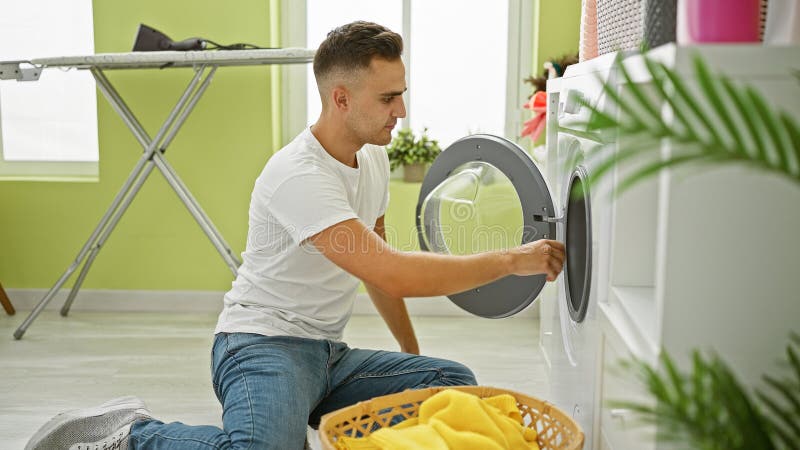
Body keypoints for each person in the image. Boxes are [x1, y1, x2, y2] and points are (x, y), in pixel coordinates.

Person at [25, 21, 565, 450]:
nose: (401, 110)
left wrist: (408, 355)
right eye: (388, 98)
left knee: (451, 383)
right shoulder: (299, 175)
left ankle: (304, 421)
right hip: (259, 344)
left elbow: (380, 268)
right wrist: (511, 260)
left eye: (401, 94)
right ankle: (133, 432)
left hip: (327, 356)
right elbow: (392, 270)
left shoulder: (372, 158)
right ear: (341, 99)